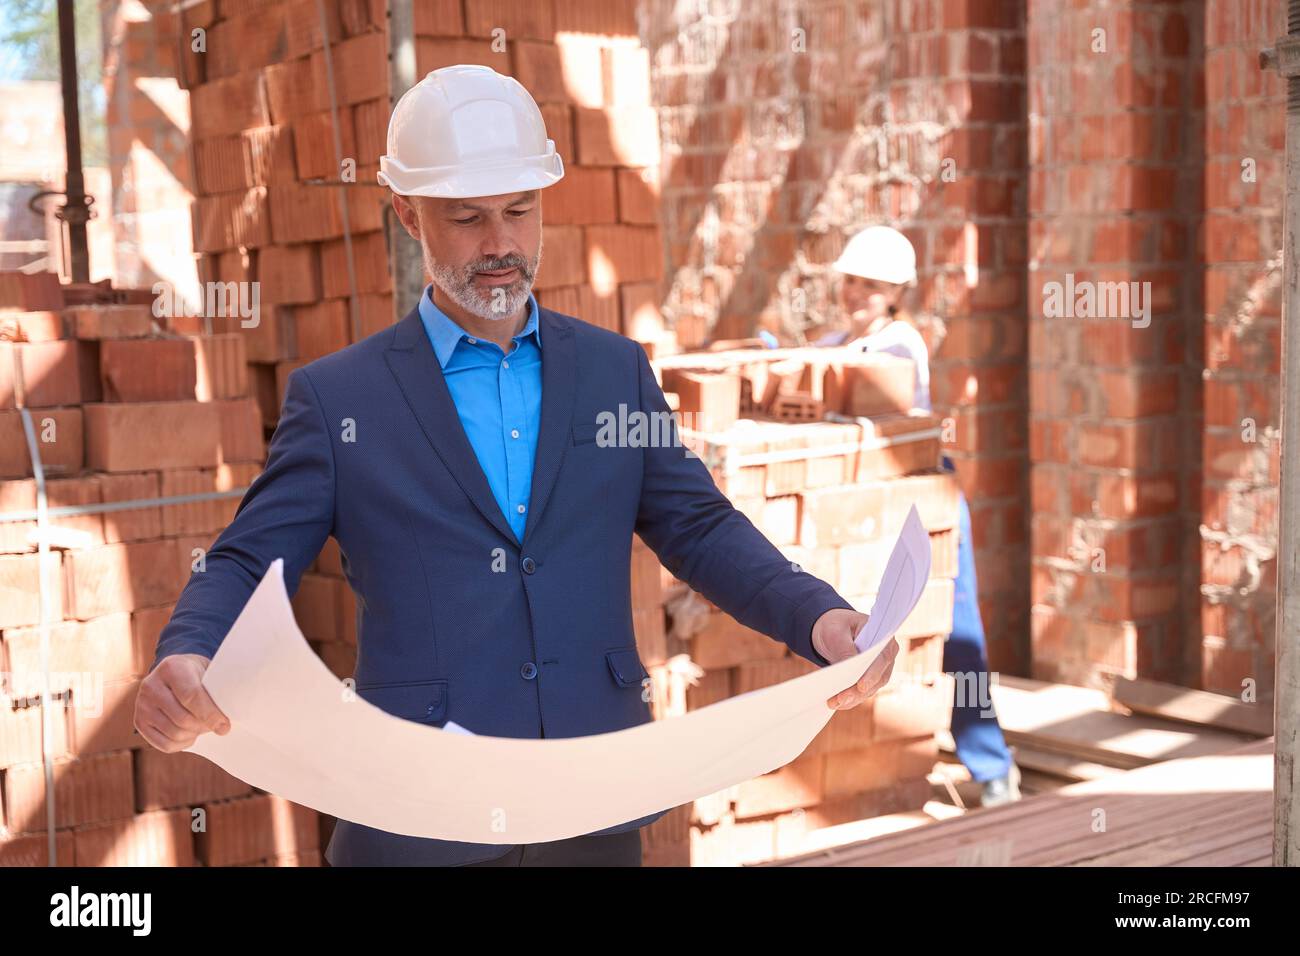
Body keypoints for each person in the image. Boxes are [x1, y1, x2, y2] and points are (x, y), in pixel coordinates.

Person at [133, 65, 900, 867]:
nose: (499, 245)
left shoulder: (614, 372)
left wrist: (818, 618)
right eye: (465, 218)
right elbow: (252, 558)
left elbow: (699, 527)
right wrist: (191, 651)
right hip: (417, 816)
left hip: (593, 804)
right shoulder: (338, 399)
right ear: (407, 212)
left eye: (519, 211)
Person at [830, 225, 1021, 807]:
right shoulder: (837, 339)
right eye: (852, 280)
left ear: (896, 292)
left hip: (923, 497)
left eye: (873, 284)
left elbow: (867, 402)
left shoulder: (898, 343)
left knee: (958, 635)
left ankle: (993, 770)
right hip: (870, 499)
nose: (858, 292)